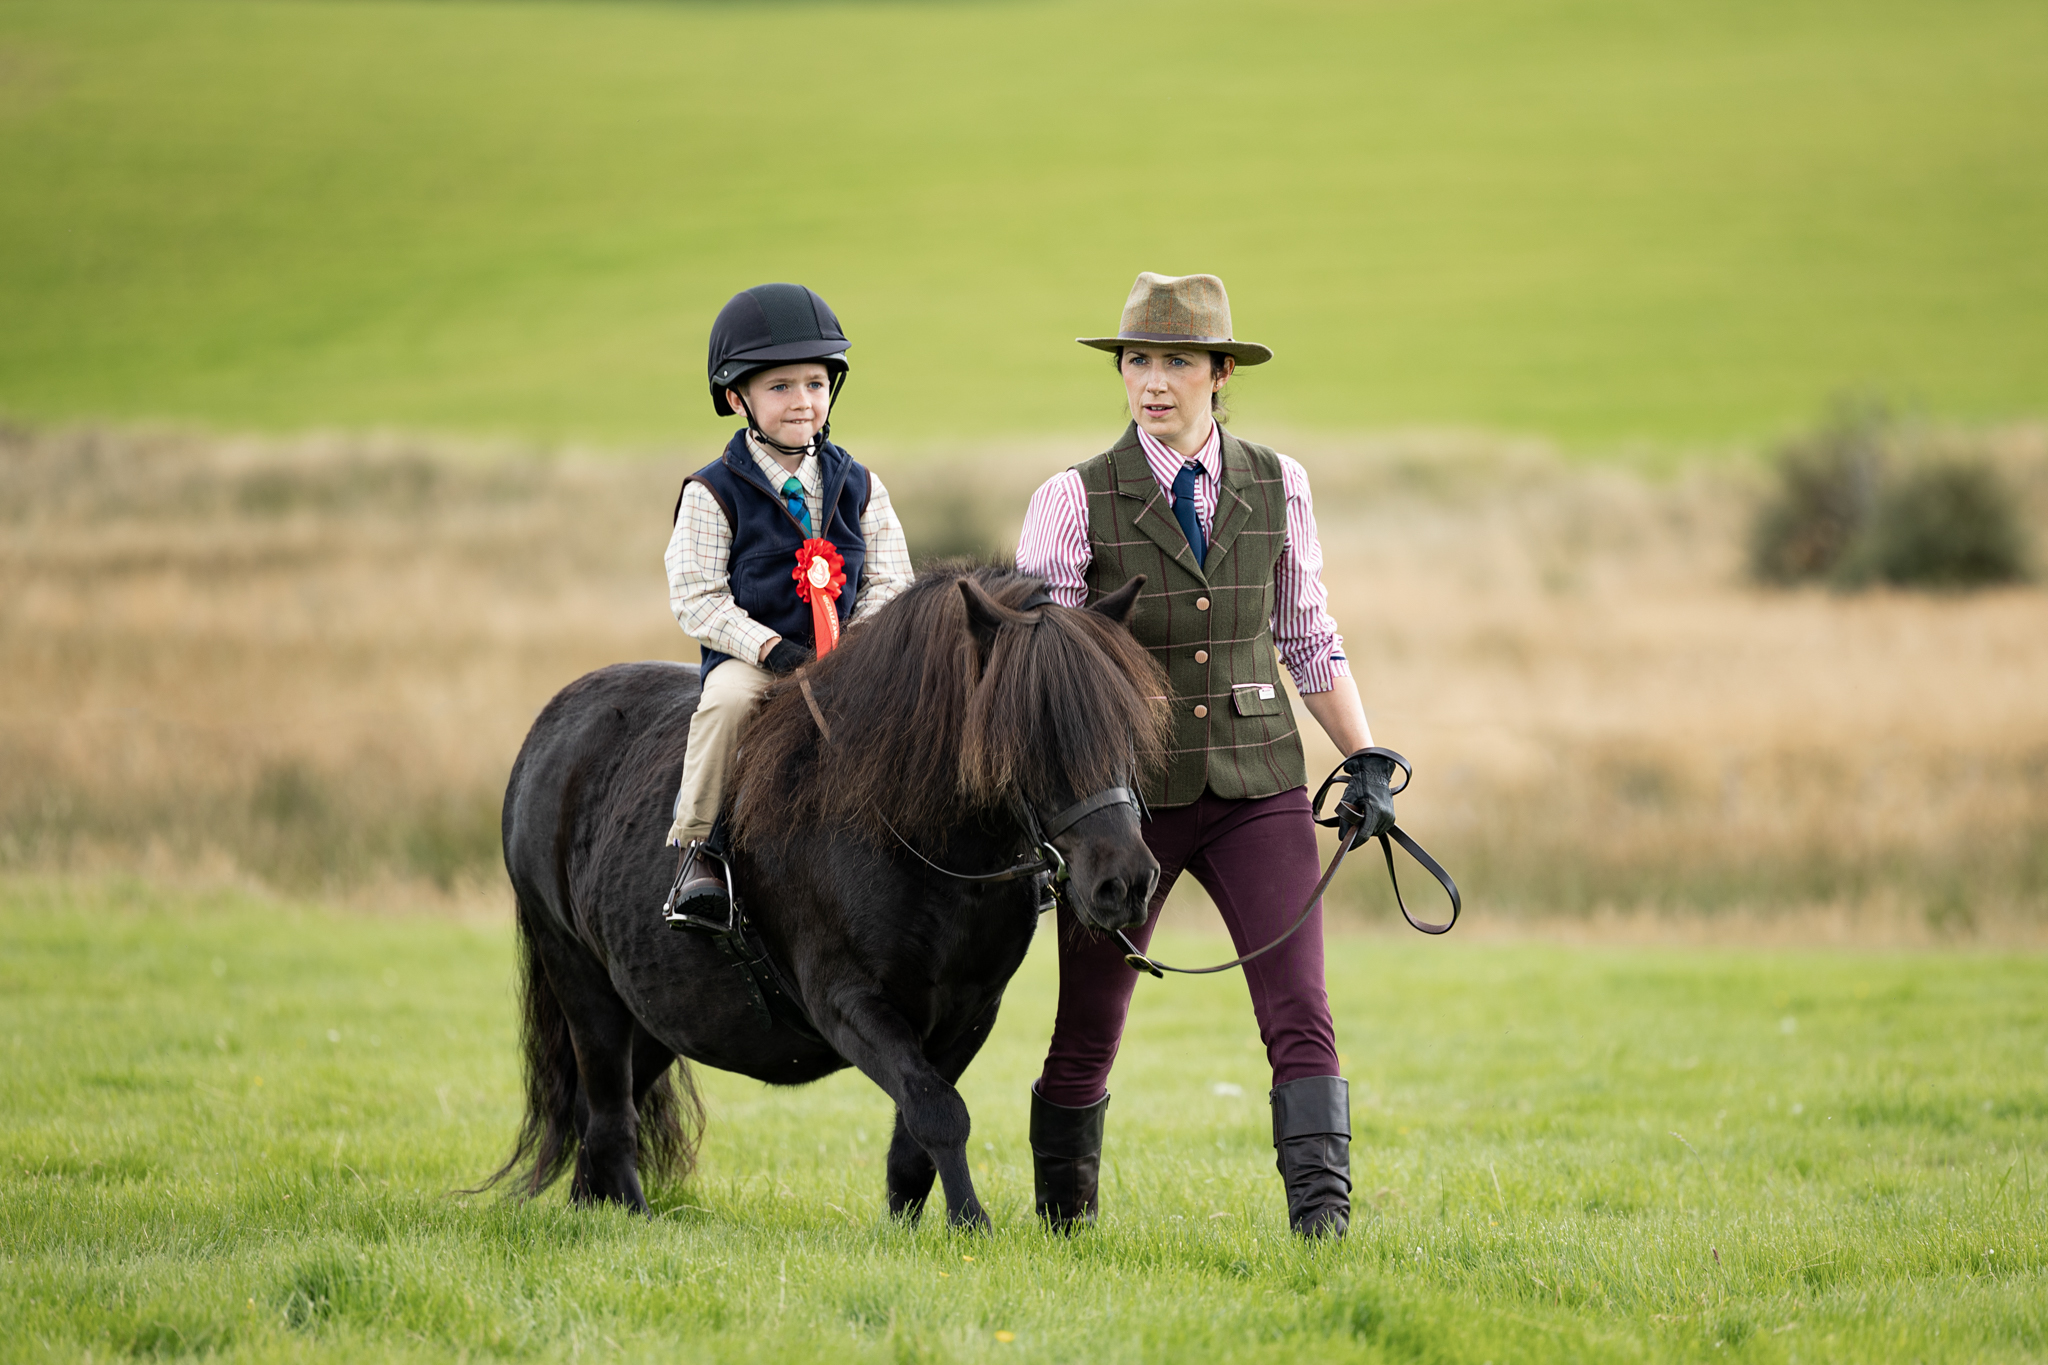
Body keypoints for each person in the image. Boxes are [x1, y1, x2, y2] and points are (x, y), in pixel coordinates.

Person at [1015, 271, 1400, 1237]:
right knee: (1089, 1026)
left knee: (1300, 1008)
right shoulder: (1071, 498)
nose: (1152, 380)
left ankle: (1323, 1226)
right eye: (1138, 360)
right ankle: (1065, 1230)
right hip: (1120, 805)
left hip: (1257, 781)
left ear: (1221, 371)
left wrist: (1364, 758)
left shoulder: (1281, 483)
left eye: (1176, 361)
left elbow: (1309, 635)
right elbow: (1044, 674)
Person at [661, 282, 913, 926]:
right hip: (757, 657)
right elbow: (697, 600)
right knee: (725, 704)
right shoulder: (713, 492)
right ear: (736, 397)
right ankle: (702, 850)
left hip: (849, 655)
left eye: (814, 385)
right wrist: (774, 650)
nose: (802, 402)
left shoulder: (860, 484)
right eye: (780, 388)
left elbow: (891, 580)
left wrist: (859, 647)